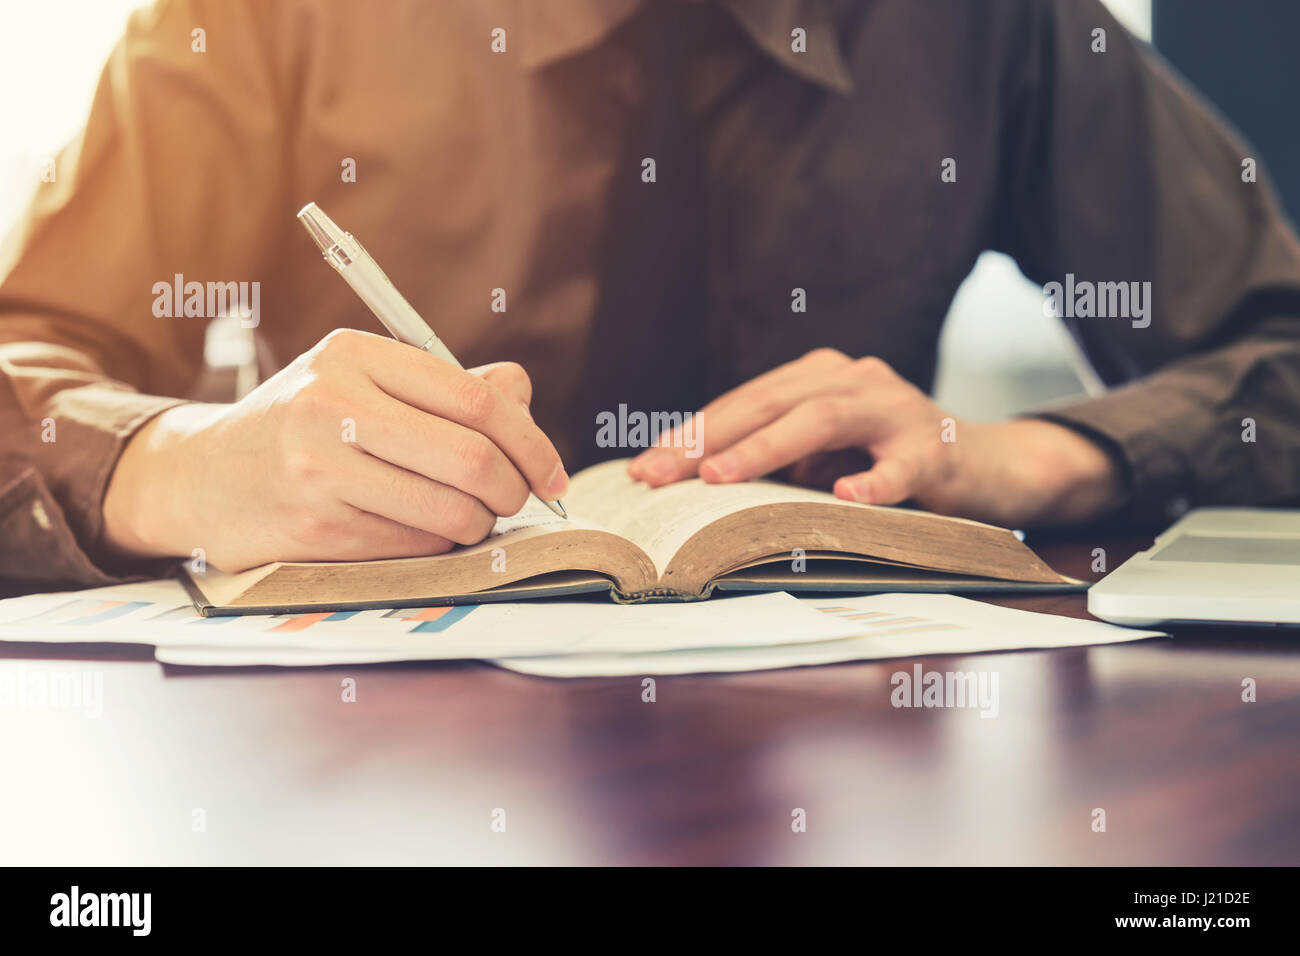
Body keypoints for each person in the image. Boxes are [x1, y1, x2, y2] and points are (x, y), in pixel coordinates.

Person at [1, 0, 1297, 587]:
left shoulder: (991, 22)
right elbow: (26, 354)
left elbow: (1281, 345)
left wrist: (1035, 457)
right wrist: (179, 465)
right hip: (367, 774)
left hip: (857, 751)